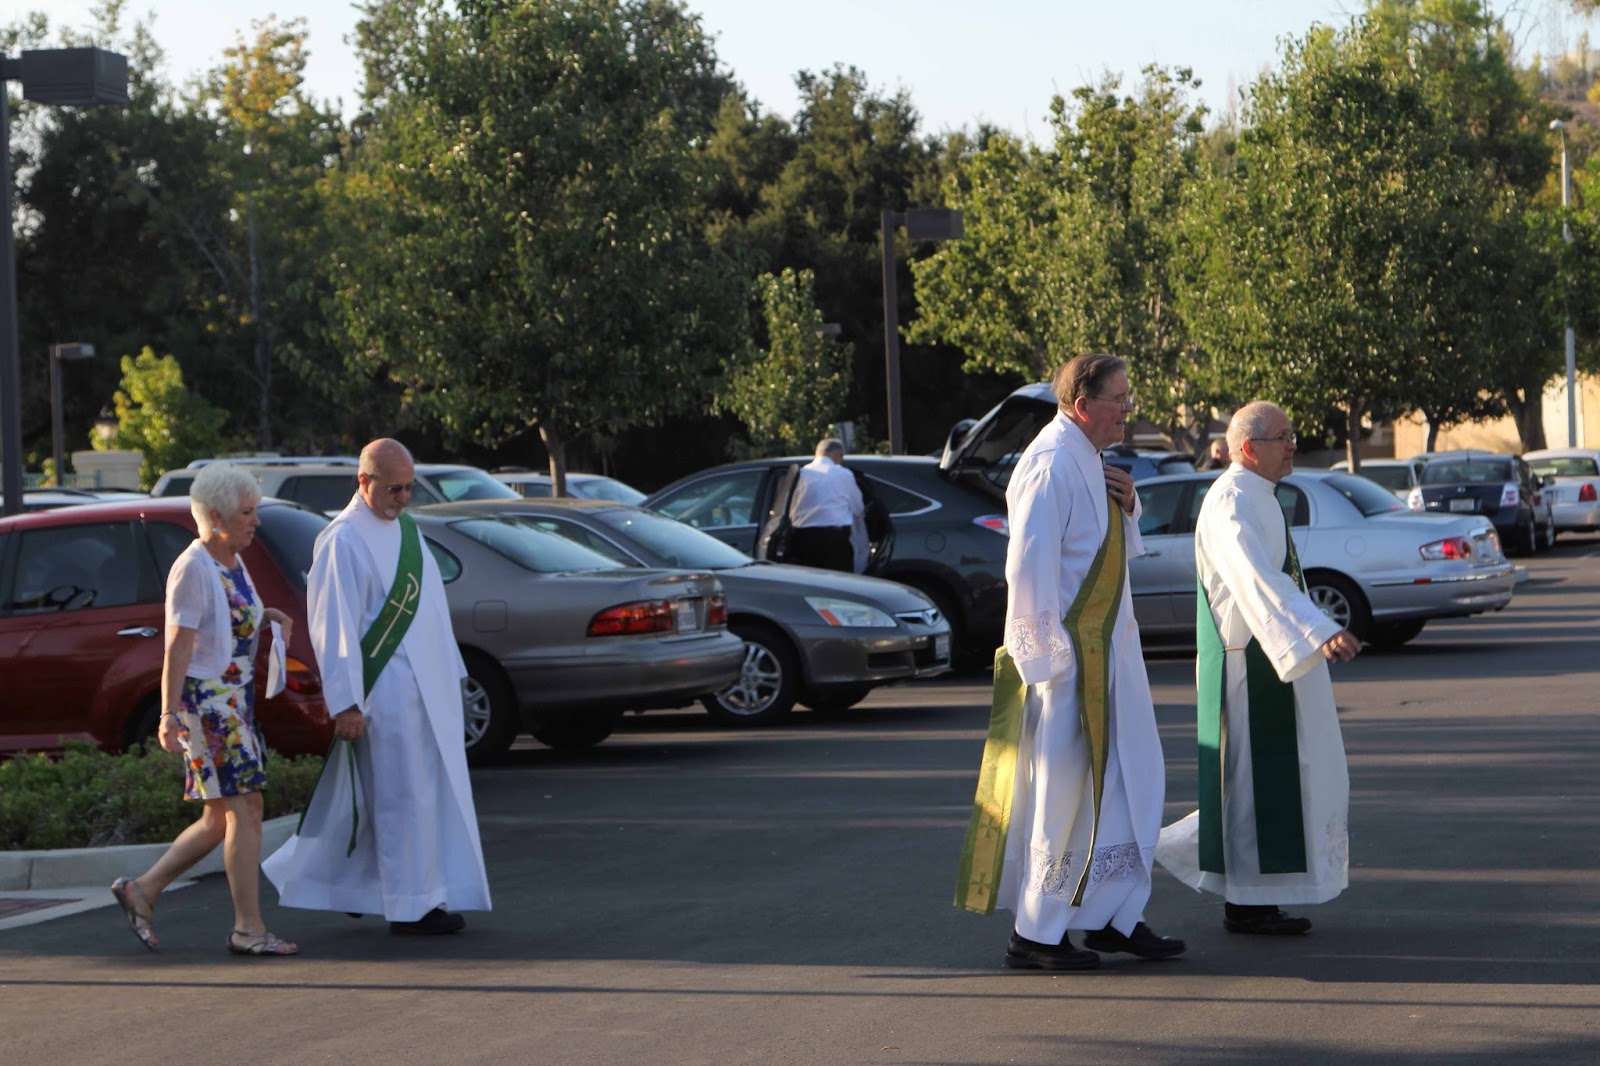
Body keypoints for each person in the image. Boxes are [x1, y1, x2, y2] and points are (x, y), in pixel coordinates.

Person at [955, 354, 1185, 971]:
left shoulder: (1091, 458)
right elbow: (1027, 568)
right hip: (1068, 666)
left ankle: (1113, 914)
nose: (1129, 410)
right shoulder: (1049, 463)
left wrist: (1131, 503)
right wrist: (1049, 667)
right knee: (1063, 797)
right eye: (1120, 399)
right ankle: (1037, 934)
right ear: (1084, 405)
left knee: (1129, 783)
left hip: (1112, 652)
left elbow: (1106, 547)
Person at [263, 439, 491, 934]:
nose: (404, 498)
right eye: (394, 488)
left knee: (424, 798)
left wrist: (452, 673)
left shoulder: (407, 530)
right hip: (383, 693)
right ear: (363, 482)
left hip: (429, 689)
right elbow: (333, 628)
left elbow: (432, 612)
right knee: (399, 801)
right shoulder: (342, 539)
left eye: (409, 488)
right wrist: (344, 704)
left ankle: (389, 891)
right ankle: (412, 909)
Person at [1155, 402, 1359, 935]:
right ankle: (1245, 902)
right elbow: (1257, 581)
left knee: (1282, 780)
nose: (1294, 444)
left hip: (1271, 662)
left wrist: (1311, 628)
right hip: (1247, 671)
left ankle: (1256, 897)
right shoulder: (1230, 504)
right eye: (1284, 437)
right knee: (1248, 785)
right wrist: (1318, 629)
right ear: (1249, 447)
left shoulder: (1258, 496)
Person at [111, 462, 299, 957]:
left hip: (235, 703)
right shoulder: (193, 567)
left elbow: (231, 618)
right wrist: (167, 714)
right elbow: (177, 646)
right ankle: (248, 928)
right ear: (216, 515)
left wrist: (266, 618)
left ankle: (143, 890)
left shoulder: (233, 560)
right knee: (247, 808)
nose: (255, 521)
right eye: (246, 512)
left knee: (221, 818)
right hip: (208, 707)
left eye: (255, 511)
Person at [786, 438, 864, 573]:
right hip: (835, 542)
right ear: (837, 455)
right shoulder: (844, 474)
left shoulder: (801, 474)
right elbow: (859, 508)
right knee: (838, 586)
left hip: (802, 540)